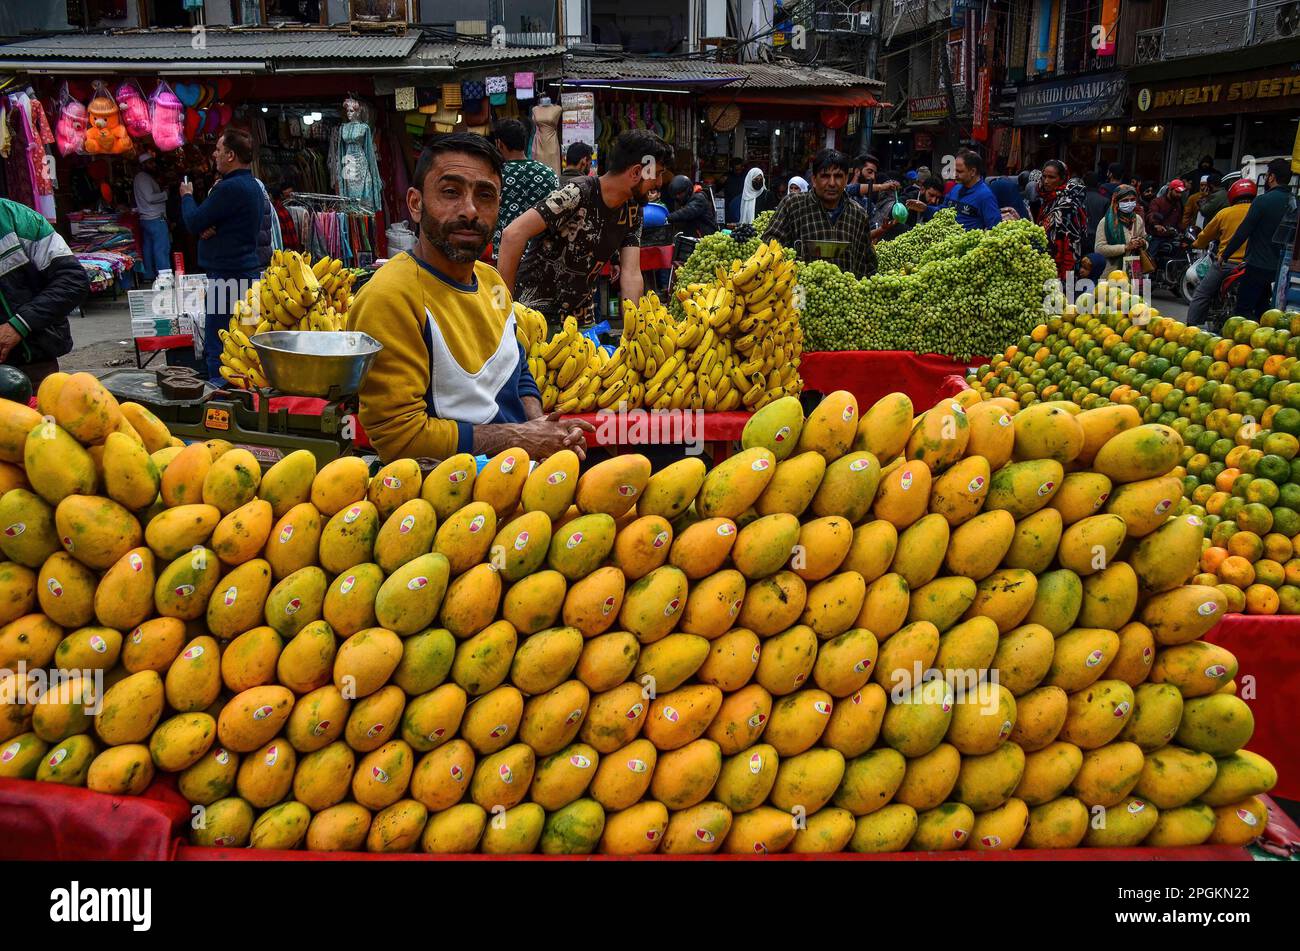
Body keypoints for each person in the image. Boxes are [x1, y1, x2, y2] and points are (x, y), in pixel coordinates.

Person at [348, 133, 591, 464]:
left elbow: (516, 368)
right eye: (450, 192)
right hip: (444, 495)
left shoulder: (491, 280)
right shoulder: (389, 297)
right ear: (415, 204)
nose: (470, 210)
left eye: (486, 196)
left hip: (515, 475)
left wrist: (539, 425)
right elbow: (400, 438)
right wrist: (521, 438)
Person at [498, 129, 672, 328]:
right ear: (635, 172)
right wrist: (504, 309)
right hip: (533, 316)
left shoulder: (633, 211)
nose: (659, 183)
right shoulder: (577, 193)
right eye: (657, 174)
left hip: (581, 319)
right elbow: (512, 234)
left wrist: (634, 332)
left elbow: (631, 273)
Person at [179, 127, 274, 381]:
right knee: (246, 342)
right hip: (247, 274)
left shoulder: (229, 189)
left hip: (227, 278)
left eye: (219, 150)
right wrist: (211, 227)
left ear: (231, 155)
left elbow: (193, 221)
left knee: (218, 343)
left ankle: (221, 397)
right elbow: (220, 223)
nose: (215, 154)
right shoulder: (253, 186)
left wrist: (187, 197)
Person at [0, 197, 88, 389]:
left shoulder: (19, 219)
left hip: (34, 367)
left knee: (42, 417)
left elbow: (72, 280)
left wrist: (19, 325)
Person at [765, 148, 877, 278]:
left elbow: (868, 264)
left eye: (838, 176)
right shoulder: (793, 206)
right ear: (814, 179)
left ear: (846, 179)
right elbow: (769, 245)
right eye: (825, 176)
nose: (832, 183)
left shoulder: (858, 215)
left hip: (845, 295)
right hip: (799, 294)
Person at [1220, 158, 1296, 318]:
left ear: (1271, 177)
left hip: (1257, 266)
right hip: (1282, 271)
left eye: (1268, 174)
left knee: (1243, 311)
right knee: (1265, 313)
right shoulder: (1294, 202)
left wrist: (1225, 255)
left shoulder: (1263, 201)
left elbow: (1243, 231)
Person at [1187, 178, 1256, 328]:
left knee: (1202, 294)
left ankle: (1191, 327)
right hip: (1251, 265)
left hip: (1226, 264)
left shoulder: (1225, 213)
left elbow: (1205, 236)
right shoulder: (1258, 211)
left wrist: (1196, 243)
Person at [491, 118, 560, 254]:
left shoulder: (495, 175)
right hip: (539, 251)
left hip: (504, 250)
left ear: (499, 143)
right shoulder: (548, 173)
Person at [1035, 160, 1089, 281]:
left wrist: (1066, 279)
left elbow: (1072, 244)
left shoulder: (1068, 205)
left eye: (1051, 177)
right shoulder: (1048, 199)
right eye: (1044, 176)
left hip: (1062, 269)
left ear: (1062, 179)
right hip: (1047, 265)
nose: (1046, 181)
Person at [133, 152, 171, 282]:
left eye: (153, 162)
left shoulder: (142, 177)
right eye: (150, 163)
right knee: (161, 248)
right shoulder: (143, 178)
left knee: (149, 248)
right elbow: (150, 198)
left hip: (148, 218)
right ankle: (164, 275)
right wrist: (165, 194)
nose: (153, 165)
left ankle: (149, 275)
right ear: (143, 165)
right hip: (154, 218)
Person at [1095, 183, 1147, 275]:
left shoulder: (1137, 219)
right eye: (1125, 200)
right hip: (1112, 271)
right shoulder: (1106, 222)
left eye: (1132, 200)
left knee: (1136, 289)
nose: (1129, 203)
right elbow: (1099, 249)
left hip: (1134, 270)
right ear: (1116, 202)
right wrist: (1125, 247)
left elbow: (1145, 239)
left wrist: (1142, 243)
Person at [945, 149, 1002, 230]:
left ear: (972, 172)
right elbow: (942, 211)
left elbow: (995, 228)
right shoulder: (955, 189)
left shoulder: (985, 196)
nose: (955, 174)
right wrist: (926, 209)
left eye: (959, 171)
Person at [1144, 178, 1187, 262]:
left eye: (1181, 193)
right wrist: (1156, 224)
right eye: (1177, 192)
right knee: (1149, 259)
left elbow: (1179, 220)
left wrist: (1182, 231)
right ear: (1170, 190)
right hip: (1157, 236)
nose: (1179, 195)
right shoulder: (1157, 202)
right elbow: (1151, 214)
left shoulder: (1179, 204)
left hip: (1172, 236)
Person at [665, 175, 717, 239]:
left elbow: (688, 211)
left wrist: (667, 217)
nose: (678, 196)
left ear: (688, 190)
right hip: (693, 238)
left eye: (680, 193)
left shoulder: (699, 198)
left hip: (705, 238)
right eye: (676, 194)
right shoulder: (684, 201)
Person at [271, 172, 300, 252]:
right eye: (287, 195)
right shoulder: (281, 211)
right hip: (287, 250)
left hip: (285, 250)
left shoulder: (281, 211)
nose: (290, 198)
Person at [1082, 172, 1110, 254]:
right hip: (1097, 238)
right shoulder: (1105, 200)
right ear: (1099, 184)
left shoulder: (1078, 199)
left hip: (1081, 237)